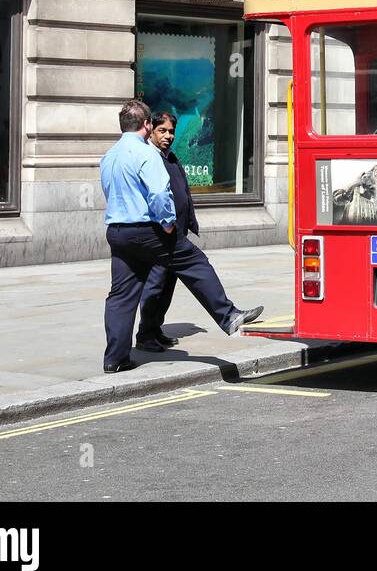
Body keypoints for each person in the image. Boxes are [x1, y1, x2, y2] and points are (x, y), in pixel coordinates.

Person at [99, 100, 262, 373]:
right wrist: (167, 223)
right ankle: (228, 315)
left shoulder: (109, 155)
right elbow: (159, 193)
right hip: (149, 230)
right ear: (146, 125)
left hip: (117, 231)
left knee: (121, 295)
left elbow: (109, 190)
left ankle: (115, 359)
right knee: (196, 263)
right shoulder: (146, 153)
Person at [134, 111, 262, 352]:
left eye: (172, 131)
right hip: (162, 232)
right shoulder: (150, 158)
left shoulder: (170, 157)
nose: (169, 136)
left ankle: (151, 331)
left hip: (175, 230)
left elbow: (181, 190)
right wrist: (167, 224)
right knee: (163, 280)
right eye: (162, 131)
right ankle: (227, 315)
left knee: (166, 285)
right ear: (150, 131)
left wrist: (189, 220)